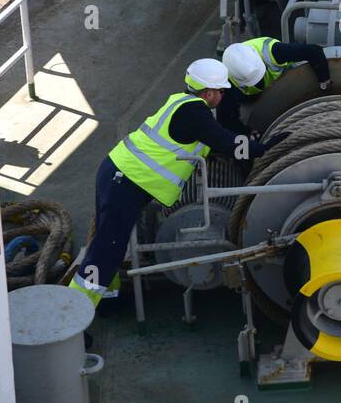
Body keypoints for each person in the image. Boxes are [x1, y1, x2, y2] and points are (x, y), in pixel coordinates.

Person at [69, 58, 286, 312]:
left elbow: (215, 135)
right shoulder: (196, 114)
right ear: (209, 93)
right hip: (126, 181)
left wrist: (245, 137)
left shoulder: (182, 103)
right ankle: (76, 314)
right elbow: (225, 143)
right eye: (221, 91)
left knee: (109, 243)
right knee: (107, 250)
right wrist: (262, 148)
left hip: (118, 171)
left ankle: (106, 298)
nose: (223, 96)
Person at [218, 36, 330, 130]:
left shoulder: (274, 52)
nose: (260, 79)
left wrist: (324, 82)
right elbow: (226, 119)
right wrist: (248, 132)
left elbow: (314, 51)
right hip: (251, 98)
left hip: (285, 82)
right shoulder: (226, 83)